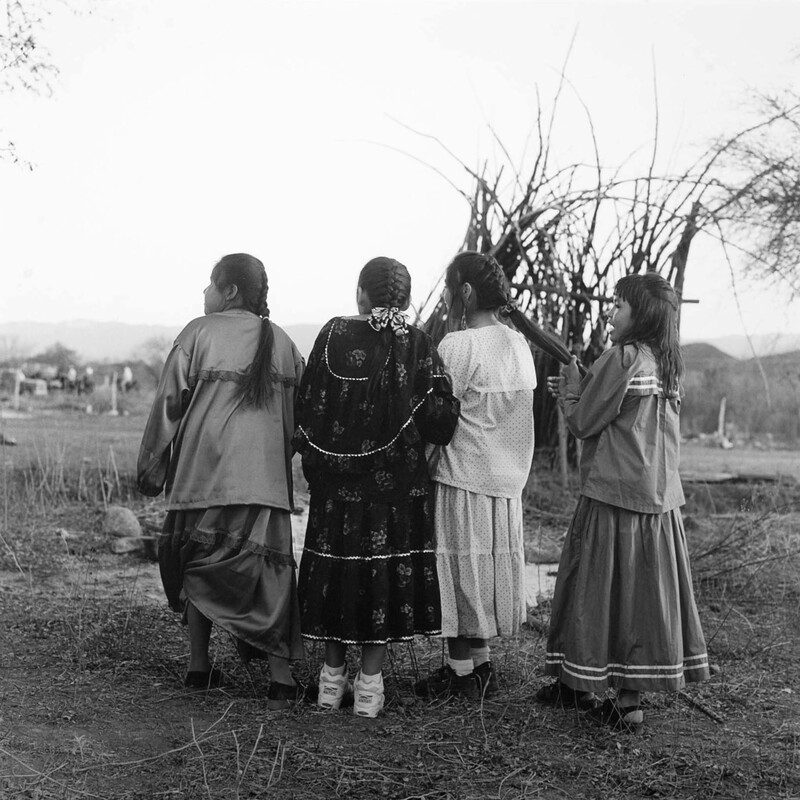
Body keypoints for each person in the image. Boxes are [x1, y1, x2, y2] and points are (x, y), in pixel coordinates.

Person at [537, 272, 710, 731]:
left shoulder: (622, 358)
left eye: (618, 306)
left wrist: (572, 387)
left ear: (641, 314)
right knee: (642, 599)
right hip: (659, 502)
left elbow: (583, 421)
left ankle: (576, 684)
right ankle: (628, 701)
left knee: (594, 591)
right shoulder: (669, 362)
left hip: (612, 496)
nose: (610, 313)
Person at [137, 253, 305, 709]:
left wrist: (152, 468)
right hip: (265, 484)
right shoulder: (285, 343)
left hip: (201, 477)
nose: (204, 293)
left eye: (210, 284)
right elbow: (300, 420)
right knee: (267, 577)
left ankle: (198, 665)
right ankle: (280, 677)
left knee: (197, 566)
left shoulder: (198, 332)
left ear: (229, 290)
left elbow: (167, 405)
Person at [294, 256, 459, 718]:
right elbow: (440, 423)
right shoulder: (420, 344)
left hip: (335, 489)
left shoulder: (330, 335)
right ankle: (369, 689)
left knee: (337, 576)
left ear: (360, 293)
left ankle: (329, 685)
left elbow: (307, 407)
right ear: (404, 299)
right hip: (395, 493)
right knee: (381, 580)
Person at [413, 251, 538, 701]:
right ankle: (481, 665)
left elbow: (441, 419)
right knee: (482, 575)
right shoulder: (519, 345)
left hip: (462, 476)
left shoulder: (458, 346)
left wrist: (420, 466)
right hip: (504, 483)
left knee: (458, 571)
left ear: (463, 292)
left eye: (450, 291)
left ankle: (460, 671)